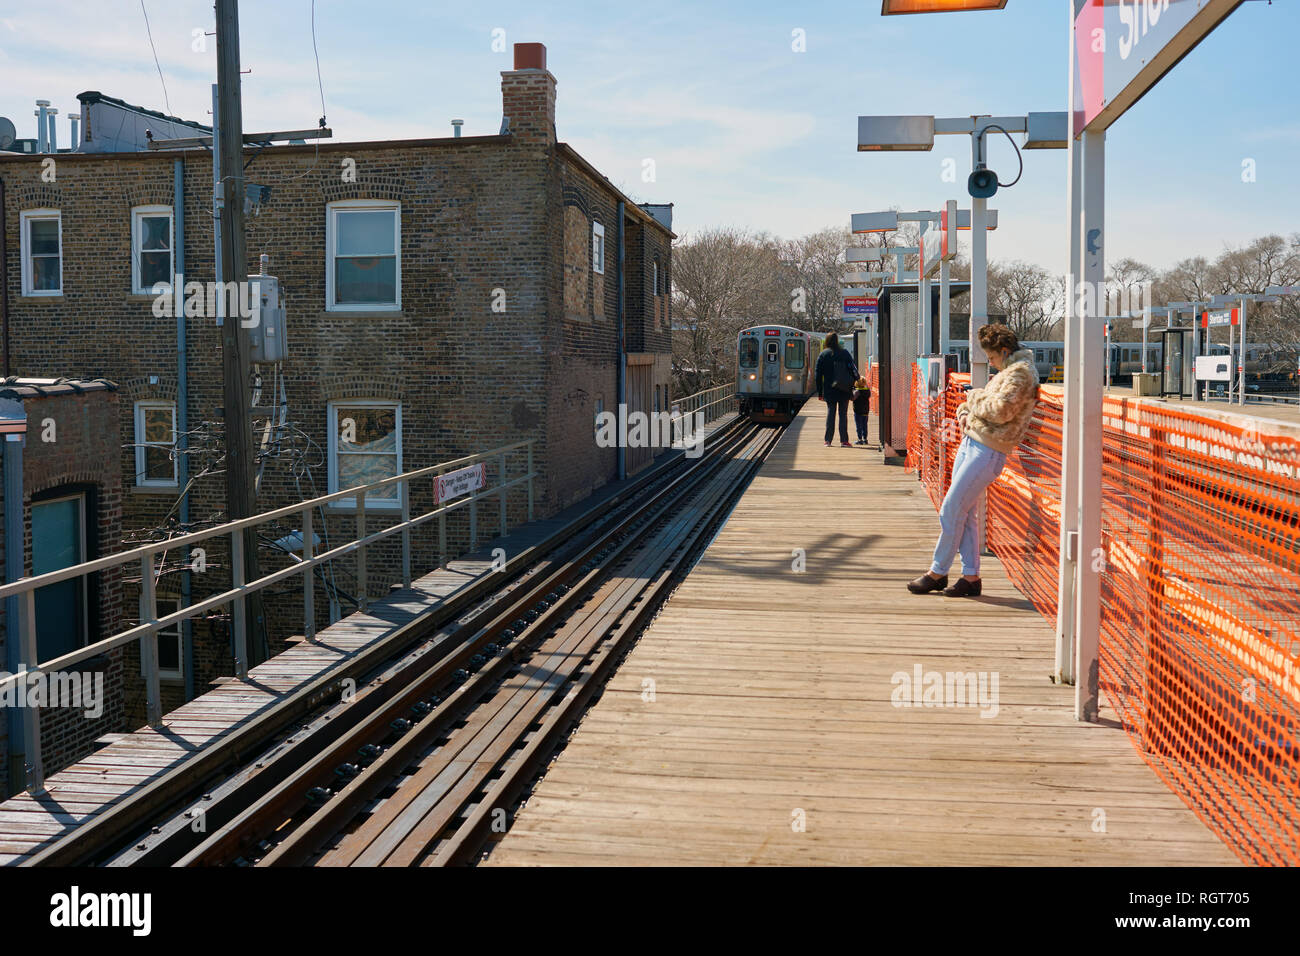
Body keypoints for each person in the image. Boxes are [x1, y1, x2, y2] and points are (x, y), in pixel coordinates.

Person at [907, 324, 1039, 598]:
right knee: (965, 513)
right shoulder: (1009, 373)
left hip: (988, 450)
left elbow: (999, 409)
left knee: (952, 508)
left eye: (991, 357)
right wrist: (968, 408)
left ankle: (938, 572)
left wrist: (973, 396)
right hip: (975, 443)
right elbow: (979, 405)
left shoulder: (1022, 375)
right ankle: (970, 577)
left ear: (1003, 352)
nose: (990, 363)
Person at [814, 332, 859, 447]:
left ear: (827, 341)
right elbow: (852, 369)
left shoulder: (823, 354)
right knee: (843, 415)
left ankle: (828, 440)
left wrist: (820, 392)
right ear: (837, 341)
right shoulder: (845, 353)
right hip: (844, 388)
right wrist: (853, 384)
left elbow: (818, 375)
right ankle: (844, 441)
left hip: (829, 389)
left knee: (831, 413)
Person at [851, 377, 871, 445]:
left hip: (858, 411)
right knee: (865, 425)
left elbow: (852, 398)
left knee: (858, 426)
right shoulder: (867, 391)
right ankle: (865, 439)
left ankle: (860, 439)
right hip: (865, 411)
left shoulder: (857, 391)